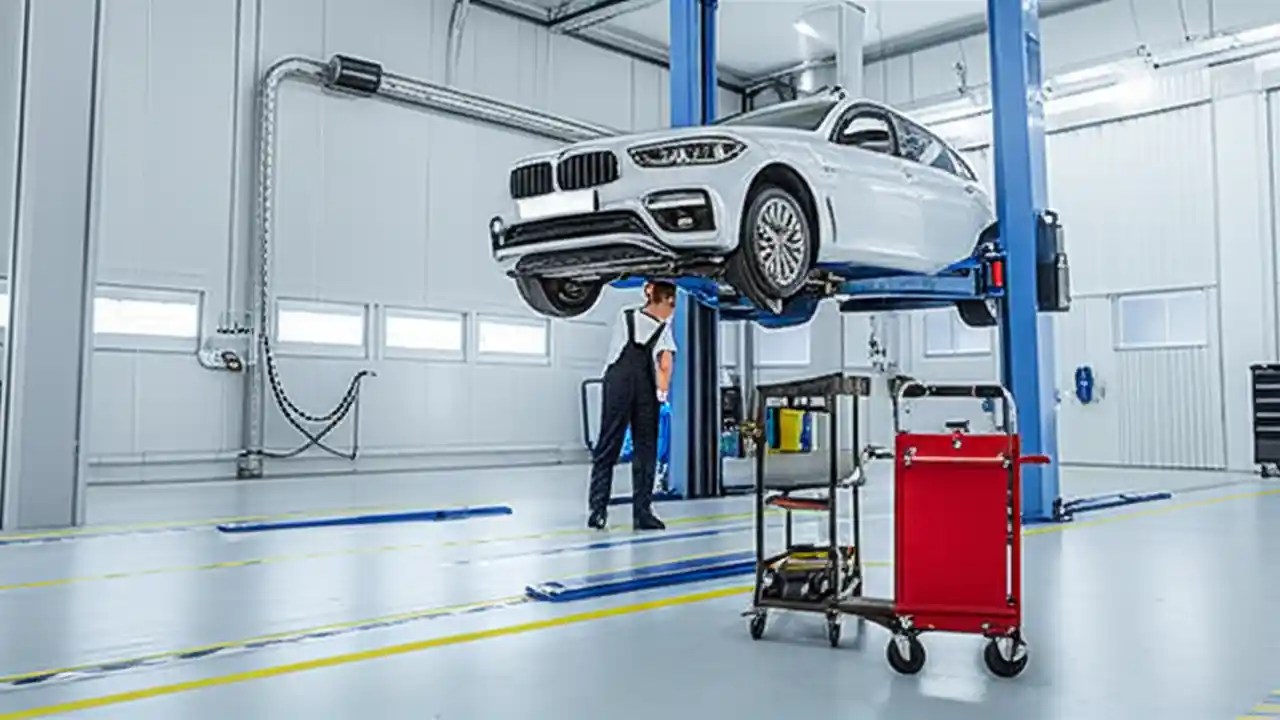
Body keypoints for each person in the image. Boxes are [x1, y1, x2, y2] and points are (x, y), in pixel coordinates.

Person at [587, 280, 677, 531]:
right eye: (672, 305)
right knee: (645, 449)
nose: (672, 312)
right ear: (667, 301)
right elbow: (665, 364)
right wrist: (662, 393)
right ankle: (642, 513)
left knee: (608, 445)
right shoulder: (664, 329)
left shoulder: (625, 316)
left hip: (616, 382)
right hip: (645, 388)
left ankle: (598, 511)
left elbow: (619, 349)